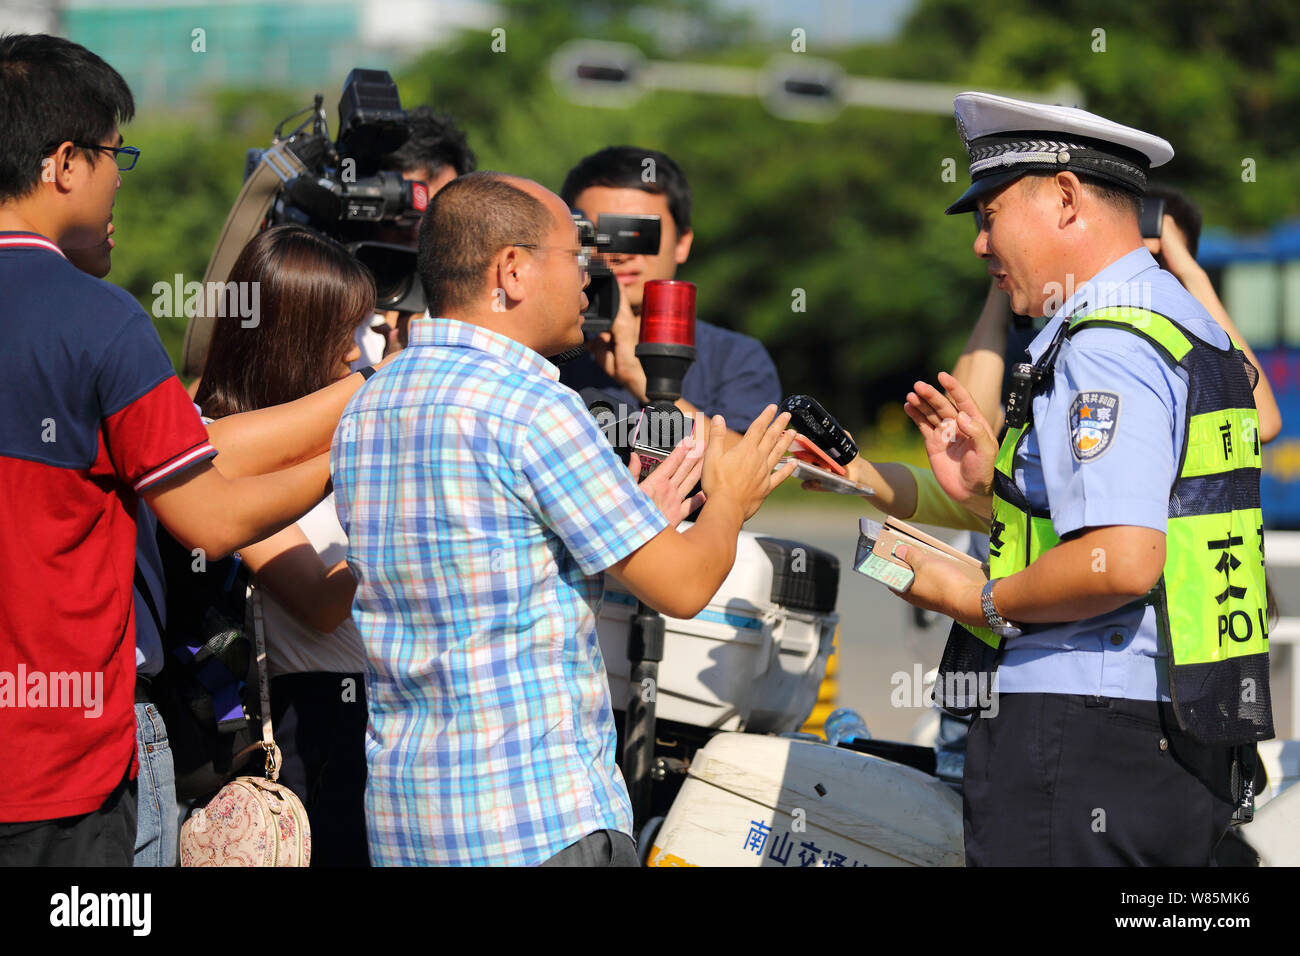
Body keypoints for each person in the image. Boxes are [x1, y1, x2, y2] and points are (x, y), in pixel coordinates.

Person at [331, 170, 797, 866]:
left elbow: (494, 560)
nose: (591, 281)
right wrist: (730, 496)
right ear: (512, 271)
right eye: (576, 259)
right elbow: (684, 587)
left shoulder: (371, 402)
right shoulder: (537, 407)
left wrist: (635, 519)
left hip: (410, 818)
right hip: (535, 819)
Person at [887, 92, 1272, 866]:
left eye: (989, 214)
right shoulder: (1180, 321)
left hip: (1083, 735)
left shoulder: (1103, 343)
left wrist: (975, 597)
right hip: (1179, 729)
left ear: (1065, 198)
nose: (980, 244)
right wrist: (989, 488)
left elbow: (1123, 559)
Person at [0, 34, 338, 866]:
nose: (121, 173)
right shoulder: (100, 321)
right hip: (56, 773)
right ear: (64, 162)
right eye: (117, 152)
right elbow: (211, 519)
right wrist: (360, 440)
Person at [194, 225, 375, 867]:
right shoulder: (214, 445)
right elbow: (320, 603)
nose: (357, 353)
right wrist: (408, 529)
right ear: (293, 336)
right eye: (344, 333)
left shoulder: (333, 435)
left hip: (375, 704)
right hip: (309, 722)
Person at [558, 146, 781, 445]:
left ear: (682, 242)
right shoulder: (542, 347)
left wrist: (645, 382)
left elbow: (745, 469)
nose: (620, 252)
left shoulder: (733, 358)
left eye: (638, 233)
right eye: (598, 233)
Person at [353, 106, 478, 363]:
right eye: (404, 205)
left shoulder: (475, 323)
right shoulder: (329, 307)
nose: (418, 225)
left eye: (439, 210)